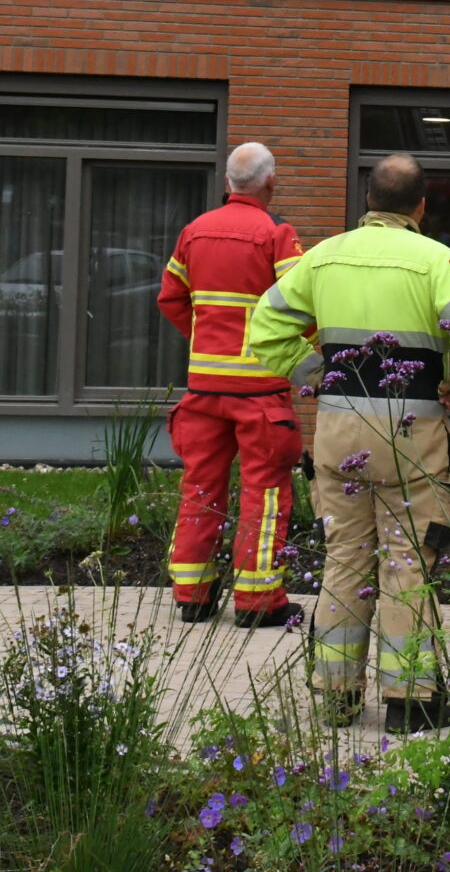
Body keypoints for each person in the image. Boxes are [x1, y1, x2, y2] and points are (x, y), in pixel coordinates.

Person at [246, 153, 450, 734]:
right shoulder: (439, 261)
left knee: (344, 560)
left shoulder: (323, 256)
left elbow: (264, 327)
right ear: (420, 206)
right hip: (410, 435)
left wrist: (316, 374)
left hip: (338, 431)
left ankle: (335, 698)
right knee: (408, 562)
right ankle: (411, 704)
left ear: (367, 200)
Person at [157, 142, 306, 628]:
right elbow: (300, 311)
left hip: (203, 389)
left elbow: (171, 299)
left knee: (200, 486)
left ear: (227, 183)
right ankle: (258, 601)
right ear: (271, 182)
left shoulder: (194, 232)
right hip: (260, 393)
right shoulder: (276, 235)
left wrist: (205, 344)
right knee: (263, 491)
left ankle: (192, 596)